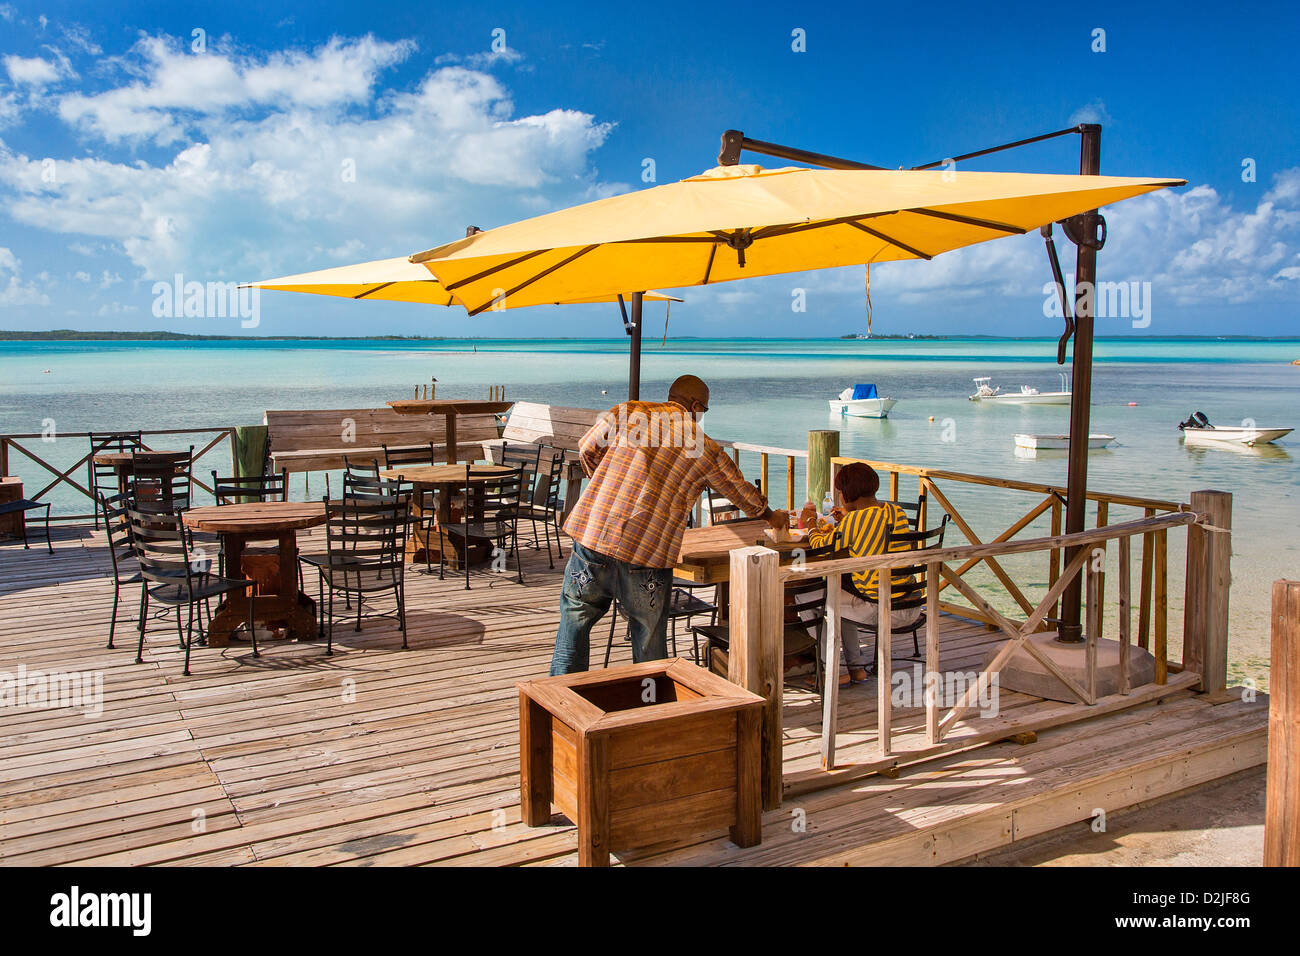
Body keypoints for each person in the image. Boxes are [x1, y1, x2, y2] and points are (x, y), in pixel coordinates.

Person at [550, 375, 789, 675]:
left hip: (593, 537)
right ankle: (650, 709)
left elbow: (586, 449)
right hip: (646, 555)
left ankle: (559, 703)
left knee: (574, 622)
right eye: (704, 411)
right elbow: (739, 492)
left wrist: (609, 486)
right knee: (648, 638)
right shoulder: (704, 448)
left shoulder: (627, 412)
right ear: (696, 406)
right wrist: (771, 515)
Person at [803, 462, 920, 685]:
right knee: (839, 595)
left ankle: (833, 670)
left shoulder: (856, 520)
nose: (839, 495)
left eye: (840, 492)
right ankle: (856, 669)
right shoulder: (897, 511)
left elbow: (821, 546)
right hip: (909, 605)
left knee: (809, 595)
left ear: (848, 493)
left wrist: (810, 523)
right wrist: (847, 519)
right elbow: (872, 529)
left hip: (882, 609)